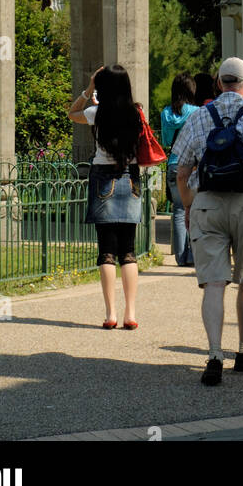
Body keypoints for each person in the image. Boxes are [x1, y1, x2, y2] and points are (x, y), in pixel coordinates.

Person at [175, 57, 243, 387]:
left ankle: (213, 355)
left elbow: (181, 171)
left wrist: (190, 206)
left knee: (213, 283)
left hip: (207, 203)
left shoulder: (197, 118)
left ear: (218, 83)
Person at [68, 65, 143, 330]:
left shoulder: (96, 112)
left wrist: (88, 89)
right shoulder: (136, 113)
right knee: (129, 251)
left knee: (107, 251)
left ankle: (111, 313)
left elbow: (72, 113)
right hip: (130, 179)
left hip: (103, 178)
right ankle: (130, 313)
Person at [160, 73, 200, 266]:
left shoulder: (166, 113)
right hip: (191, 165)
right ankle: (193, 254)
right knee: (193, 209)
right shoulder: (197, 112)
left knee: (178, 210)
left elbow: (166, 141)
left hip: (173, 164)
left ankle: (180, 256)